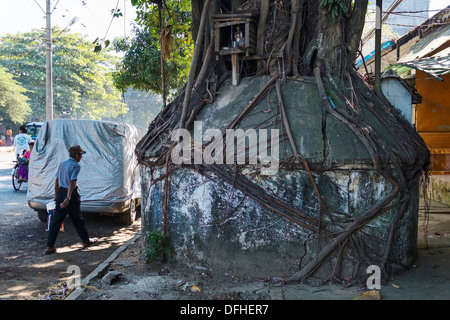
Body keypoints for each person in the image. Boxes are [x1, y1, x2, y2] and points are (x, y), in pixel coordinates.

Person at [45, 145, 98, 255]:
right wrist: (68, 198)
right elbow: (72, 181)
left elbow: (57, 180)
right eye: (81, 155)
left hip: (60, 192)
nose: (81, 157)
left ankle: (49, 247)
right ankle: (86, 241)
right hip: (70, 195)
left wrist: (57, 196)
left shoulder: (62, 163)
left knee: (56, 220)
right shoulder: (76, 165)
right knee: (77, 218)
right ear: (77, 155)